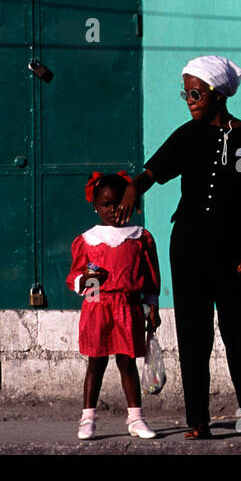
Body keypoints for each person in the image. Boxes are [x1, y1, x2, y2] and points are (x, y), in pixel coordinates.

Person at [118, 55, 241, 440]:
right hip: (189, 251)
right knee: (194, 337)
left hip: (235, 255)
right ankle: (198, 421)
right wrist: (132, 187)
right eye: (185, 94)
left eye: (195, 93)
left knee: (237, 336)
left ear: (216, 94)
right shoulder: (186, 136)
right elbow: (150, 173)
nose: (190, 101)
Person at [67, 171, 162, 441]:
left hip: (128, 307)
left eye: (117, 203)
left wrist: (152, 308)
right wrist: (84, 279)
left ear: (128, 202)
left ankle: (136, 418)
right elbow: (74, 276)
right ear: (95, 205)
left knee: (127, 362)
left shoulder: (140, 237)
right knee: (95, 364)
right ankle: (88, 419)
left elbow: (151, 277)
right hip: (96, 306)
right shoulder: (88, 239)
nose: (112, 209)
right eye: (105, 204)